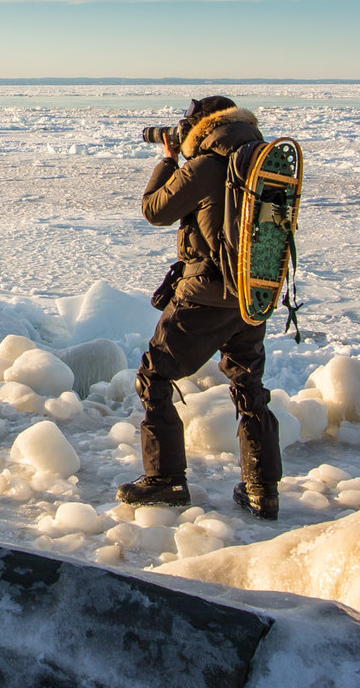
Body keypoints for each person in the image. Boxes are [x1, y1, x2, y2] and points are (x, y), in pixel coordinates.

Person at [116, 95, 284, 518]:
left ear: (201, 127)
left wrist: (168, 161)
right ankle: (262, 489)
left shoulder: (208, 166)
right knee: (249, 387)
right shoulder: (259, 163)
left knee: (154, 375)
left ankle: (166, 480)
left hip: (204, 295)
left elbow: (155, 210)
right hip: (250, 294)